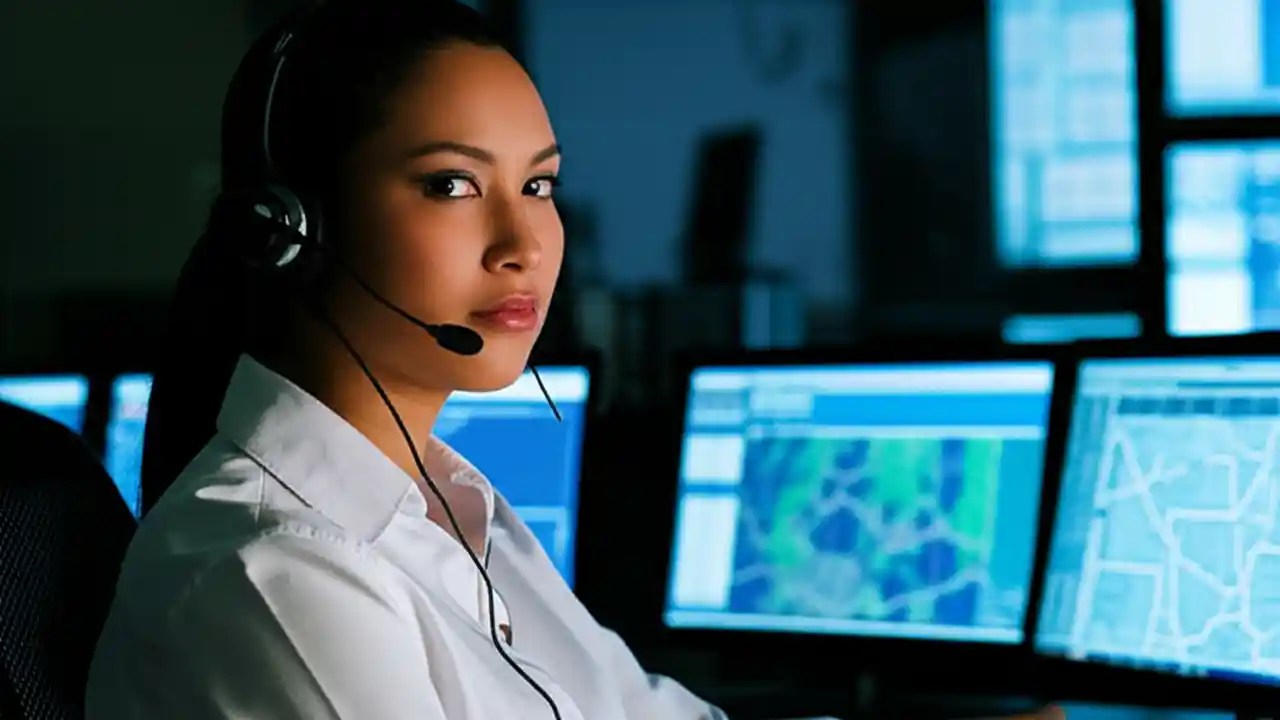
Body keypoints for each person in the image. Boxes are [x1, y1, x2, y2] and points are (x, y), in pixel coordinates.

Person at [84, 1, 726, 718]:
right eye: (451, 184)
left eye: (538, 185)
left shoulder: (453, 508)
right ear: (290, 228)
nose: (525, 245)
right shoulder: (273, 570)